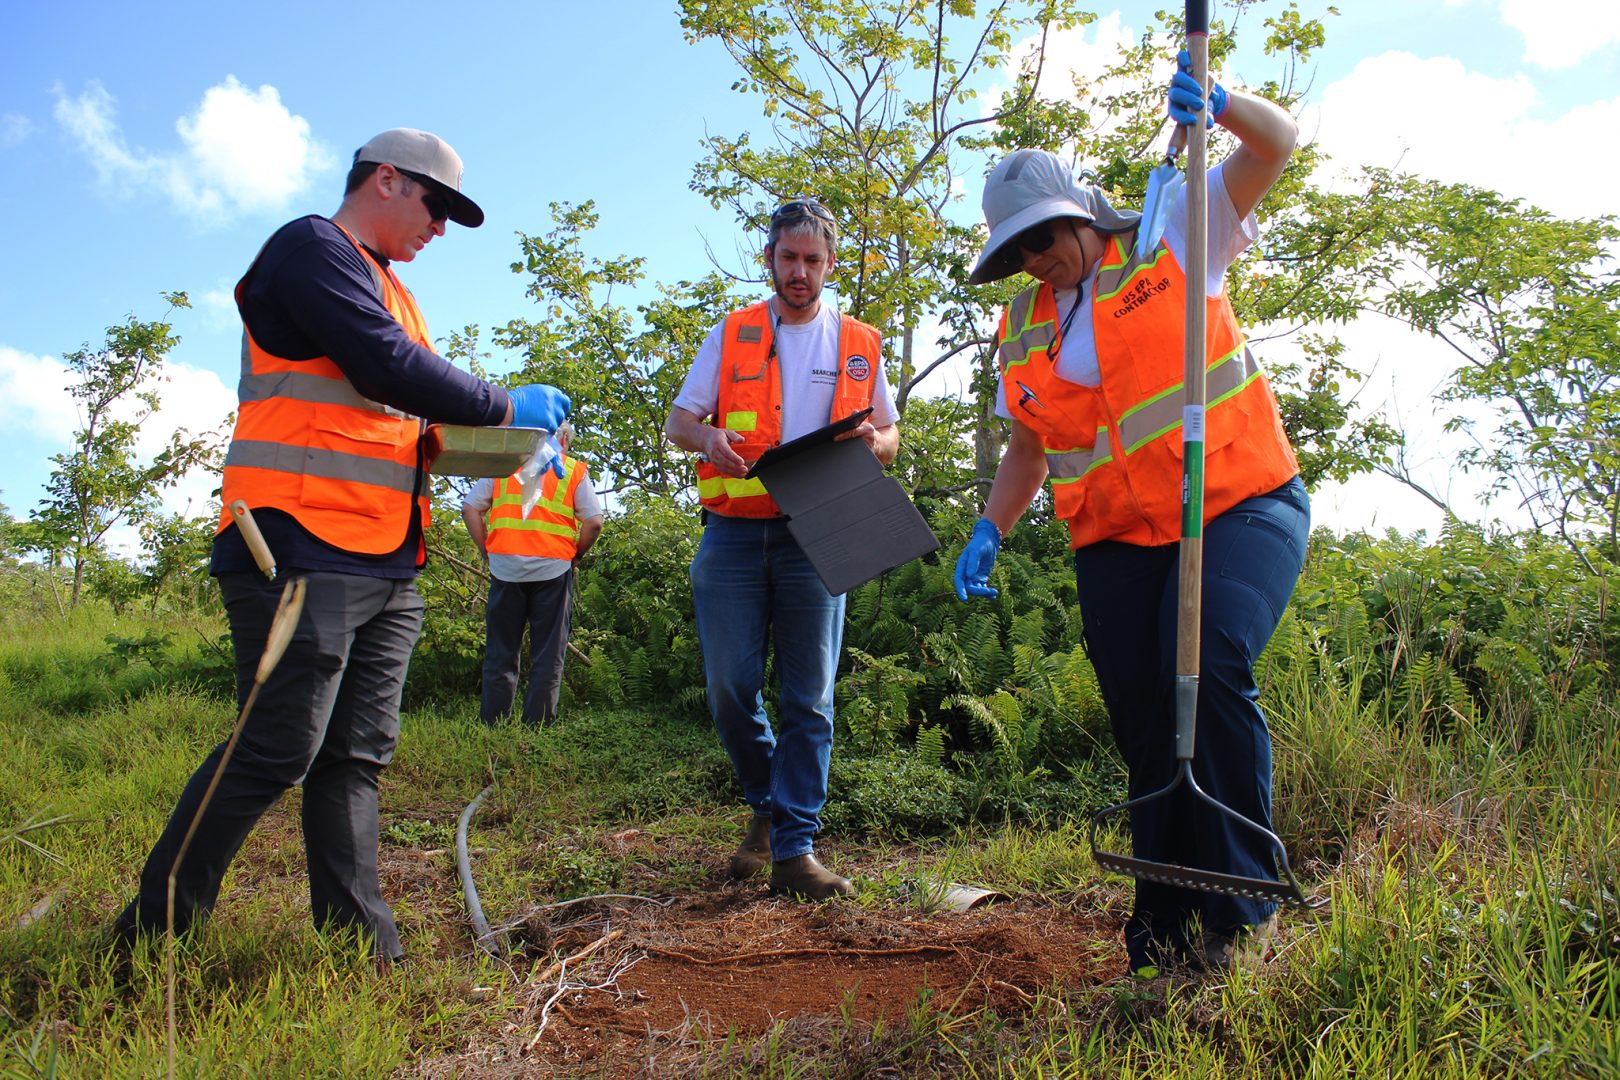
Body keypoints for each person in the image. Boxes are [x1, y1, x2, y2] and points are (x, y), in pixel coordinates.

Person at [111, 128, 571, 964]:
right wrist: (504, 404)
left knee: (357, 754)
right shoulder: (311, 249)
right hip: (294, 544)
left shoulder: (393, 290)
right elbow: (383, 365)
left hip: (386, 559)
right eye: (437, 208)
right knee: (279, 743)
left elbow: (398, 411)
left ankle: (364, 946)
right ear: (386, 180)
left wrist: (475, 443)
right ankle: (149, 937)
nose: (440, 230)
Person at [953, 54, 1309, 976]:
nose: (1042, 255)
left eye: (1050, 234)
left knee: (1211, 659)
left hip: (1237, 500)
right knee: (1144, 715)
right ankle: (1167, 914)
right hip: (1115, 537)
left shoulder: (1172, 232)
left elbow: (1279, 145)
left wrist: (1225, 106)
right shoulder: (1023, 330)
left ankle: (1246, 909)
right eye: (1022, 248)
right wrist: (991, 526)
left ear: (1083, 210)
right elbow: (1029, 451)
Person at [663, 198, 901, 900]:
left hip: (821, 527)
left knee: (811, 699)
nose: (800, 272)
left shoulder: (860, 340)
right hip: (733, 532)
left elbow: (888, 435)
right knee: (731, 689)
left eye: (813, 260)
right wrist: (709, 440)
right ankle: (767, 803)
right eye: (788, 258)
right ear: (768, 258)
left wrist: (874, 444)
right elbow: (680, 421)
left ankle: (794, 849)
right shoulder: (733, 332)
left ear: (830, 264)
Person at [460, 421, 604, 726]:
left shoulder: (505, 465)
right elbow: (594, 523)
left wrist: (487, 550)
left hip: (505, 568)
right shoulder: (573, 469)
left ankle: (493, 725)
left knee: (501, 651)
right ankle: (537, 728)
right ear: (564, 439)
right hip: (553, 569)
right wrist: (576, 553)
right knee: (548, 654)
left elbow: (470, 508)